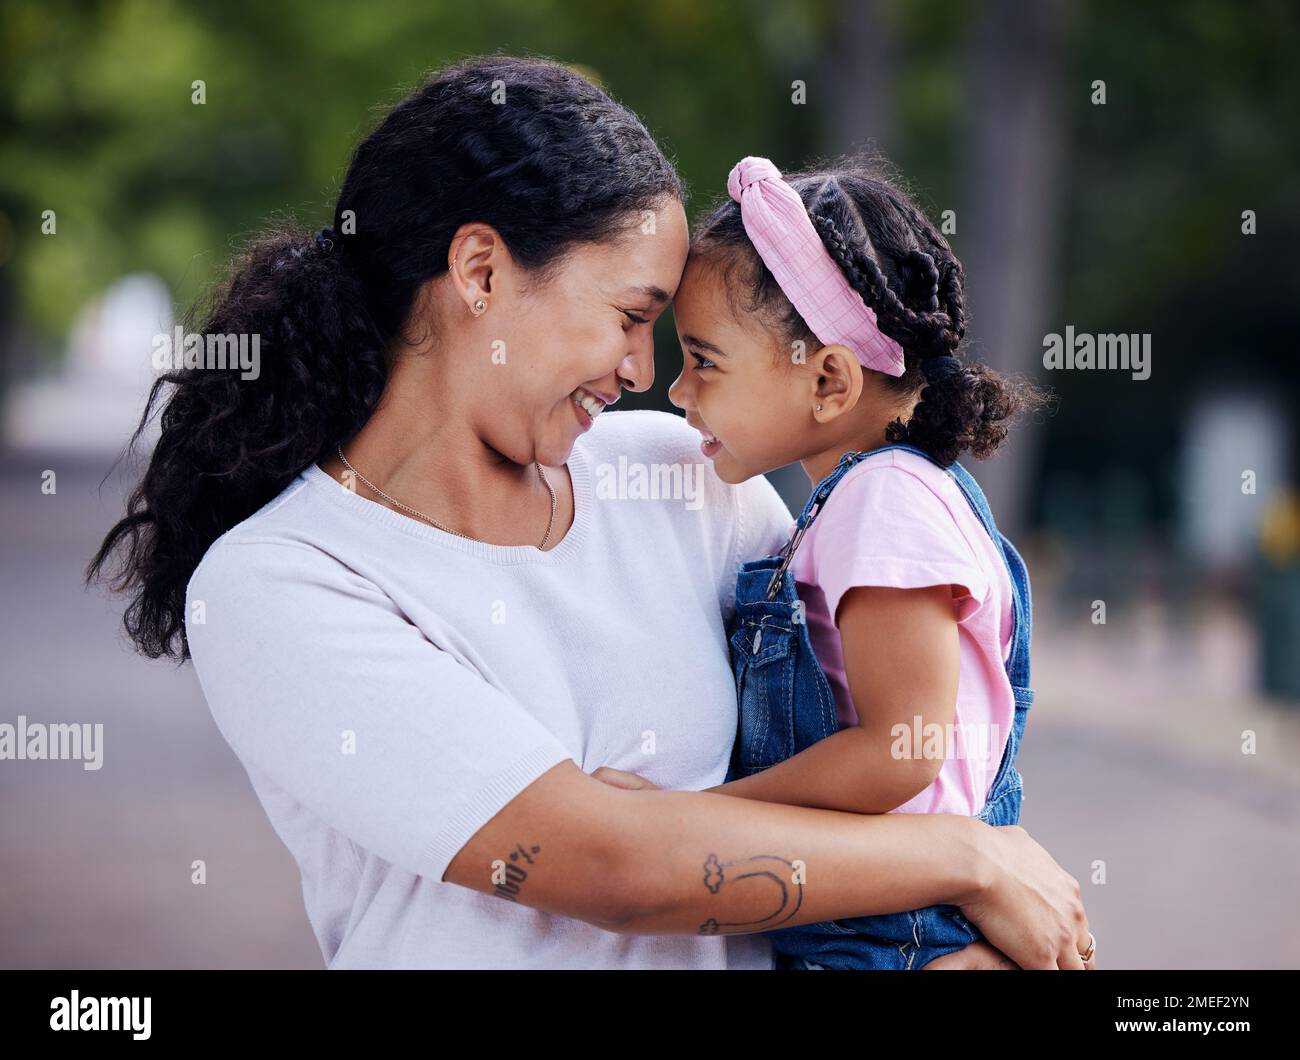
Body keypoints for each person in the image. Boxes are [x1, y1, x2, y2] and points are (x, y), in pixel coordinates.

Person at [88, 56, 1091, 970]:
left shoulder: (679, 477)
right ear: (480, 272)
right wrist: (964, 859)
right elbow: (613, 868)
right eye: (629, 317)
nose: (643, 373)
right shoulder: (284, 582)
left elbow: (899, 726)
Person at [644, 155, 1056, 969]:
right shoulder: (896, 496)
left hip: (885, 934)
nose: (678, 393)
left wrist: (697, 818)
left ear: (828, 378)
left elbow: (899, 752)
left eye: (705, 361)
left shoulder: (882, 505)